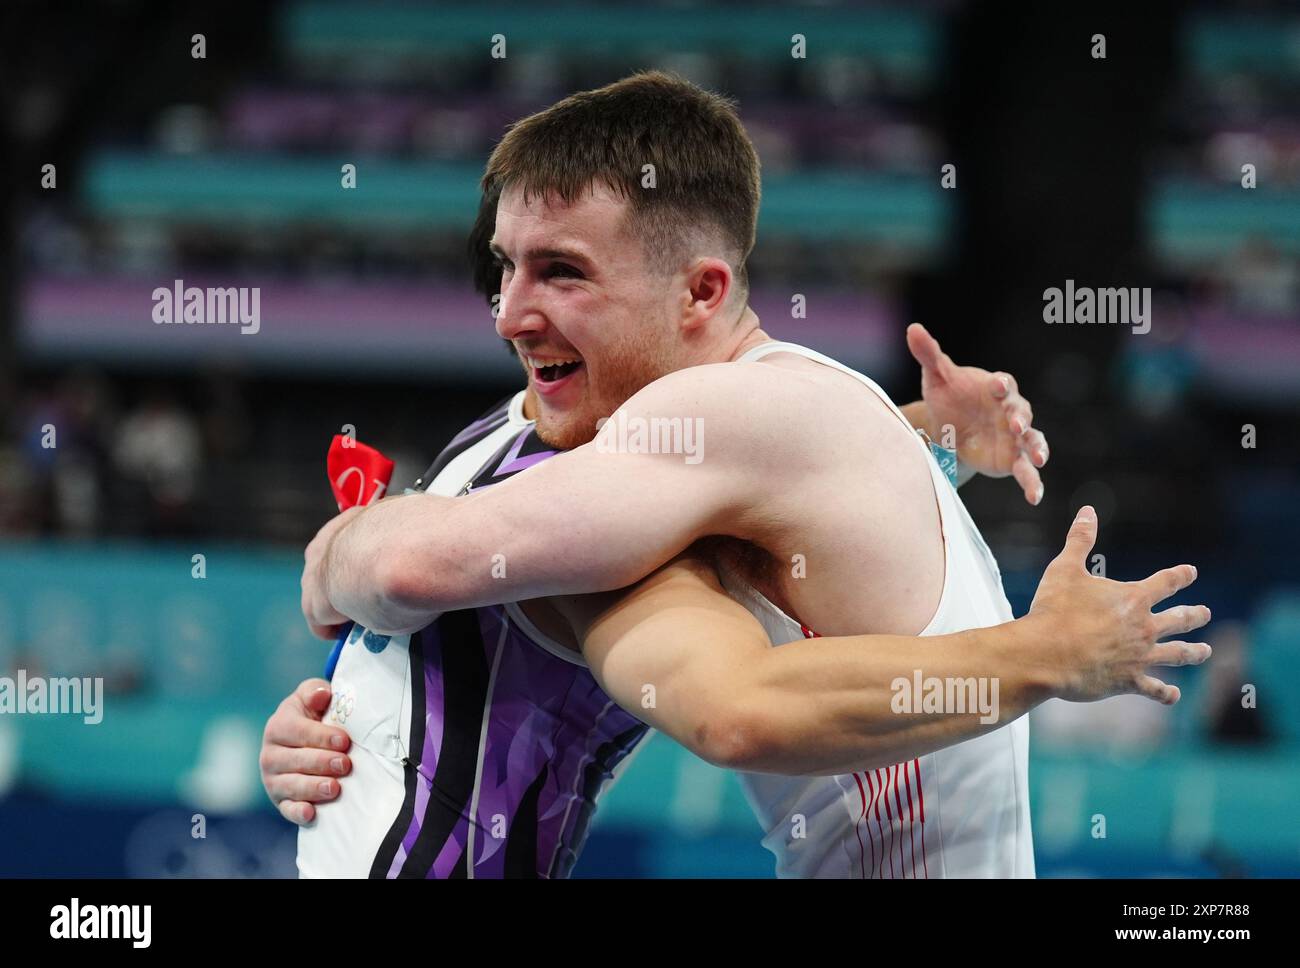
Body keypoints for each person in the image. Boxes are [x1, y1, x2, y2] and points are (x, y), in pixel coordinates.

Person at [269, 71, 1209, 877]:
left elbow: (408, 571)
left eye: (563, 272)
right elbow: (816, 535)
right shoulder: (794, 402)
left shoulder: (702, 421)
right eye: (505, 268)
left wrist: (1045, 657)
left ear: (702, 291)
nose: (510, 311)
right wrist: (354, 721)